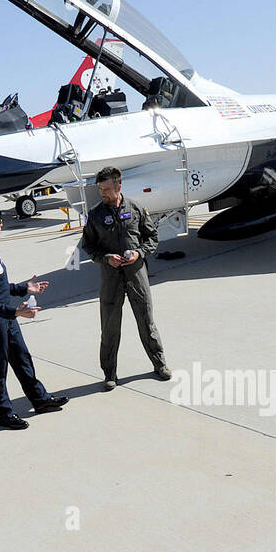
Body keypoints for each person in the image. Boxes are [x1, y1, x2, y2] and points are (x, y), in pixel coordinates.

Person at [0, 202, 67, 429]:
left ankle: (40, 399)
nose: (2, 225)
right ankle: (4, 413)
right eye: (0, 222)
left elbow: (0, 287)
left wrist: (25, 288)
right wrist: (15, 311)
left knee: (22, 358)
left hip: (6, 317)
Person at [80, 166, 172, 390]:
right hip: (110, 277)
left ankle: (159, 364)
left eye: (107, 189)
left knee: (146, 321)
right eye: (100, 189)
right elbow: (88, 246)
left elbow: (152, 236)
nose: (103, 193)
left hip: (136, 274)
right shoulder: (95, 214)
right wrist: (105, 258)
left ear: (118, 187)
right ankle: (110, 374)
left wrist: (139, 253)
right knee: (110, 327)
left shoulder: (136, 208)